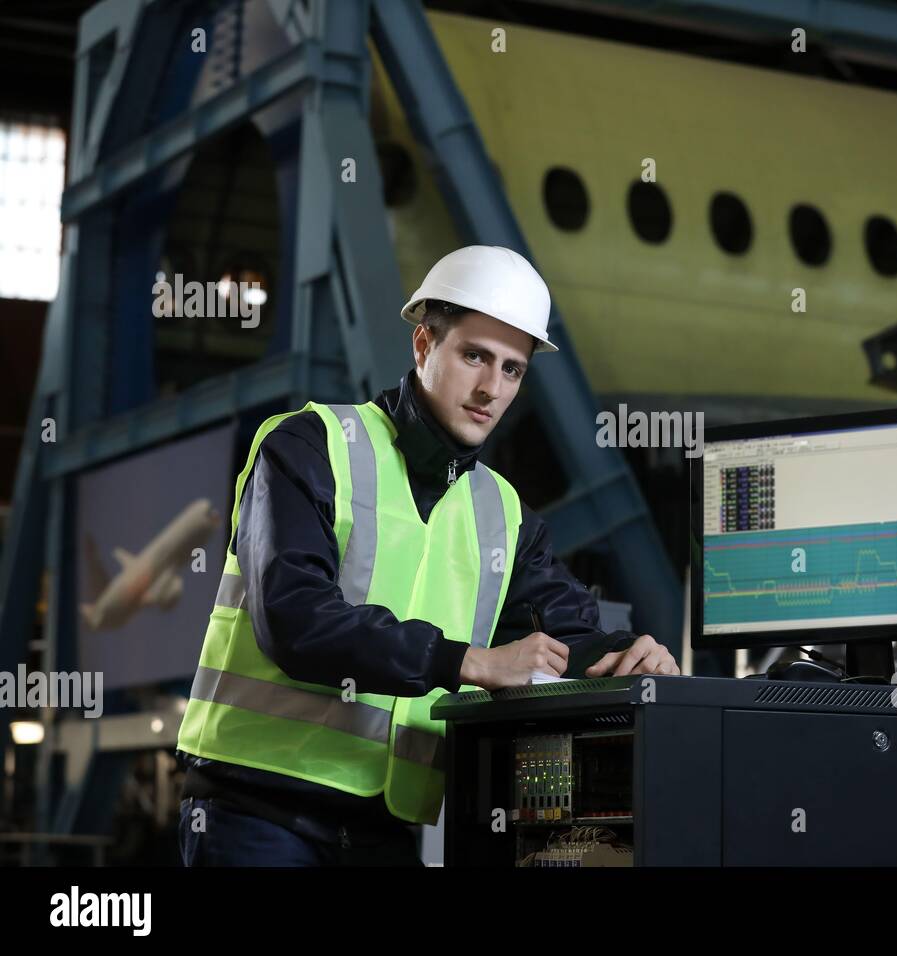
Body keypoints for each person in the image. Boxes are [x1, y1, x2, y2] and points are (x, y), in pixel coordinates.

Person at [175, 245, 679, 866]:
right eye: (474, 356)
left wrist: (626, 656)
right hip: (255, 811)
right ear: (423, 345)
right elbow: (293, 617)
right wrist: (468, 661)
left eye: (513, 370)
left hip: (381, 829)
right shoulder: (310, 446)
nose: (491, 388)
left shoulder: (503, 513)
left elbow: (565, 636)